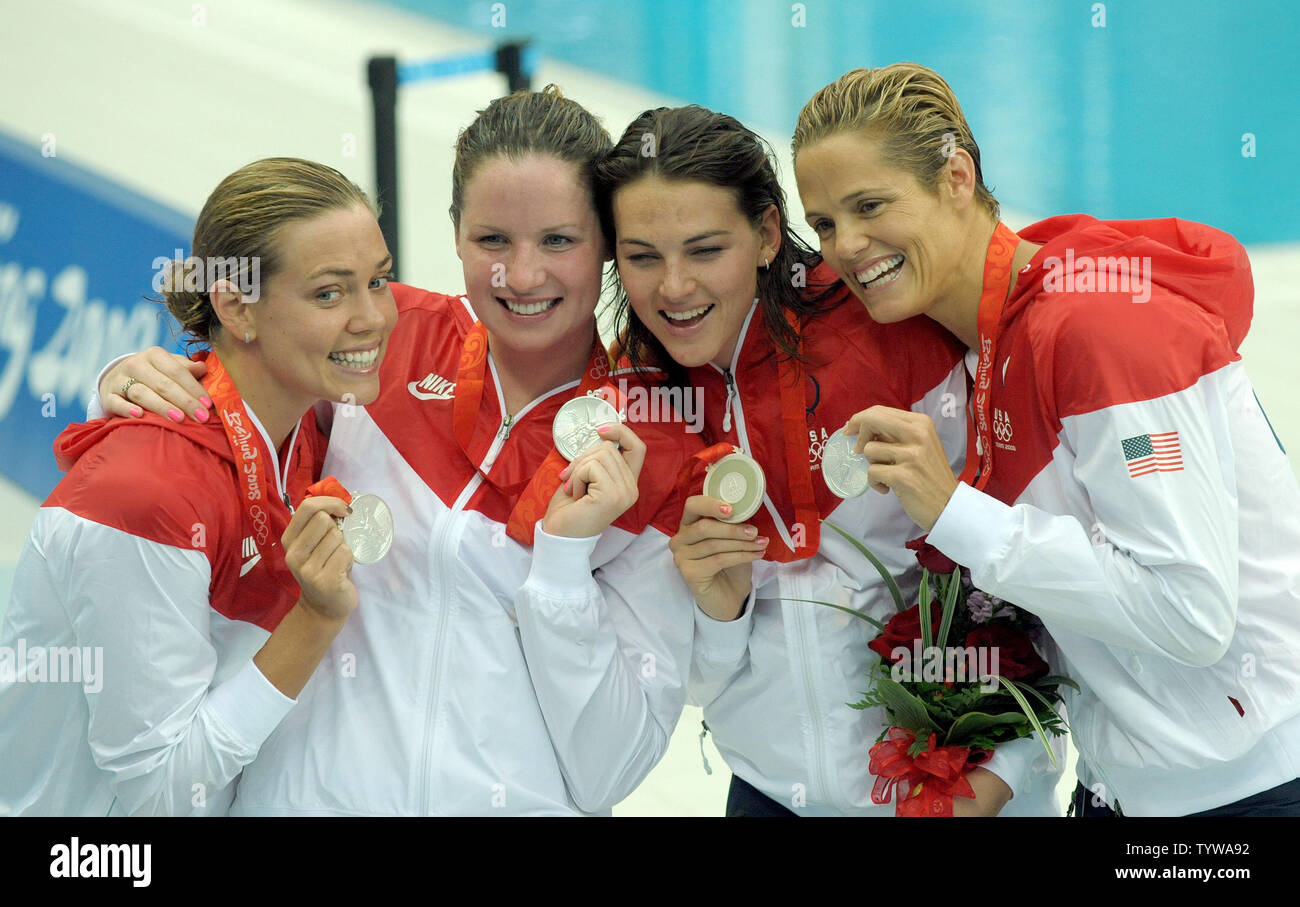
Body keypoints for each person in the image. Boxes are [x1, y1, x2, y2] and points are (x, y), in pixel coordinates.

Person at [89, 88, 702, 815]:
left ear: (605, 241)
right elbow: (235, 407)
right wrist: (125, 380)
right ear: (454, 234)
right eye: (492, 240)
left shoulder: (656, 445)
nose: (524, 275)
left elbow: (611, 770)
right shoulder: (380, 333)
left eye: (559, 241)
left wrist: (565, 570)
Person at [791, 62, 1300, 816]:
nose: (847, 245)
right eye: (825, 222)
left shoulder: (1101, 328)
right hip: (1122, 789)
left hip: (1252, 793)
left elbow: (1190, 614)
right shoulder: (985, 345)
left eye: (871, 205)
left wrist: (953, 509)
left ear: (956, 176)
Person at [595, 106, 1064, 816]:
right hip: (770, 798)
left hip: (963, 797)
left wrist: (1001, 776)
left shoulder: (897, 330)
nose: (674, 288)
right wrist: (721, 616)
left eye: (704, 249)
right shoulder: (634, 400)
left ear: (765, 234)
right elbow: (688, 680)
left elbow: (1040, 582)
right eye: (643, 256)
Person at [0, 158, 394, 815]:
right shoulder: (146, 493)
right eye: (330, 293)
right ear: (238, 306)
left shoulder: (304, 430)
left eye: (379, 281)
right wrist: (314, 621)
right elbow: (159, 798)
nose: (373, 317)